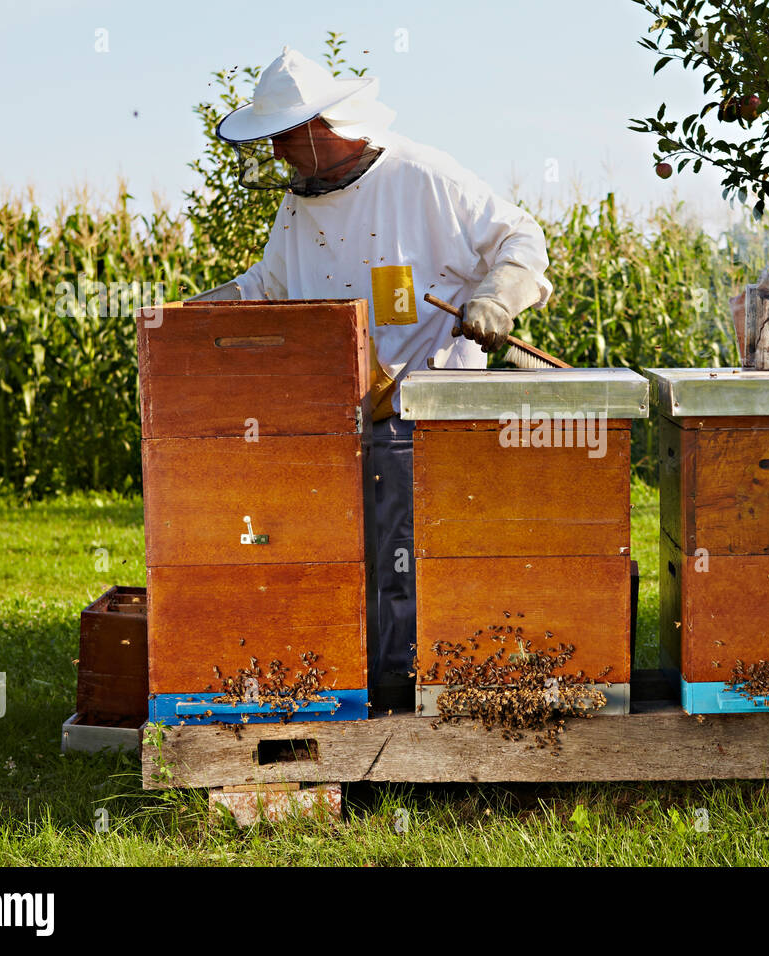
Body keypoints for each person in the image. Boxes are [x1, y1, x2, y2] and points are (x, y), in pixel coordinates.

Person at [192, 47, 553, 700]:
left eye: (282, 140)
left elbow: (521, 239)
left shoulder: (421, 175)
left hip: (428, 421)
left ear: (320, 128)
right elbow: (269, 286)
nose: (275, 156)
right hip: (337, 424)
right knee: (340, 576)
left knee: (408, 580)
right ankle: (358, 704)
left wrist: (497, 299)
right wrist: (189, 316)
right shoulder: (301, 205)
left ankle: (414, 717)